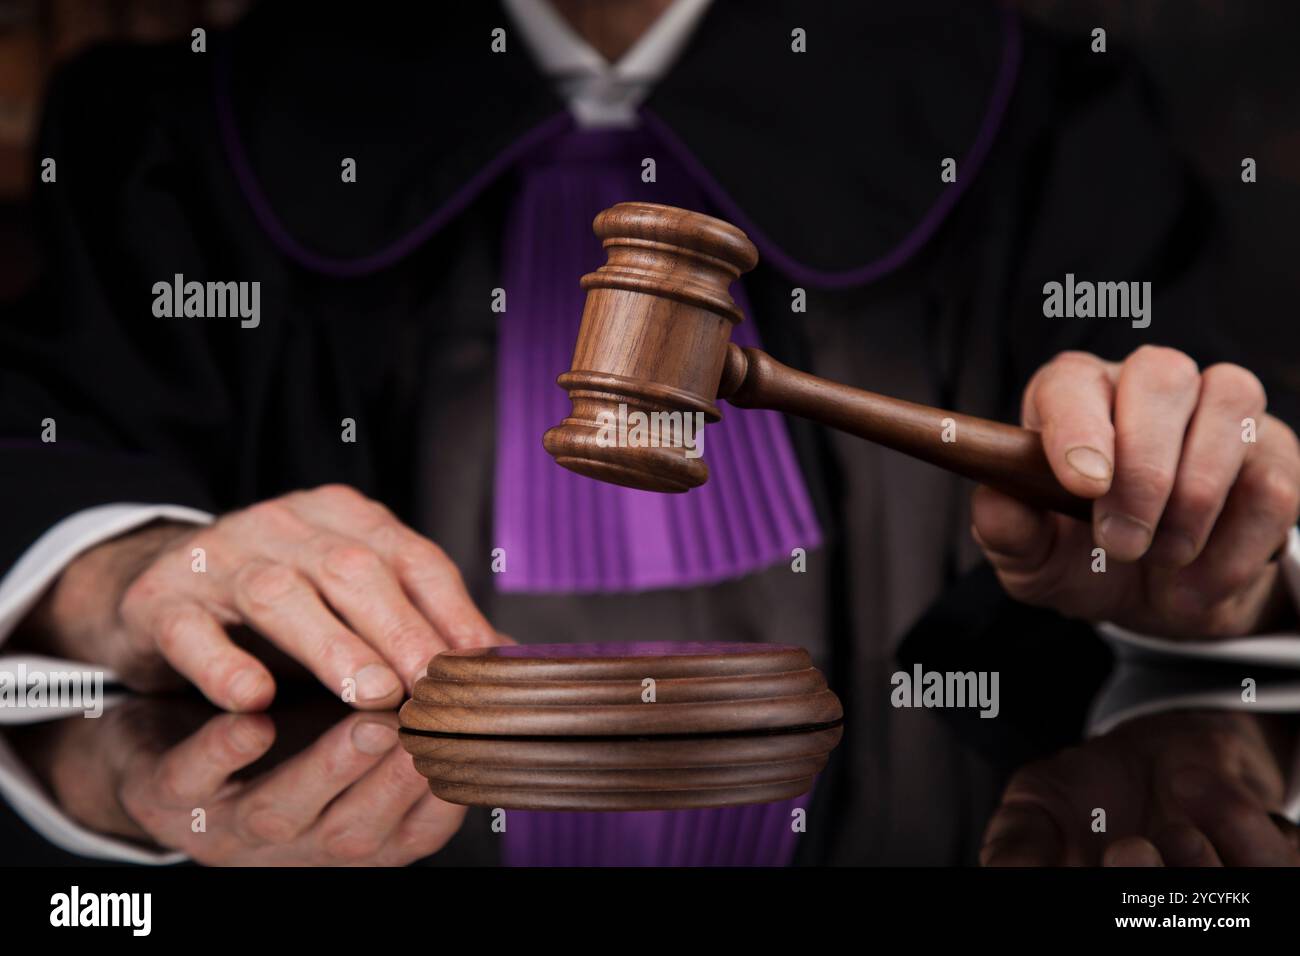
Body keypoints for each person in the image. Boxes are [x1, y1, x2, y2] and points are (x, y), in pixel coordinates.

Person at [0, 0, 1297, 865]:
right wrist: (107, 569)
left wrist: (1210, 565)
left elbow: (1221, 460)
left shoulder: (1050, 119)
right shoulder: (171, 128)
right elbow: (45, 440)